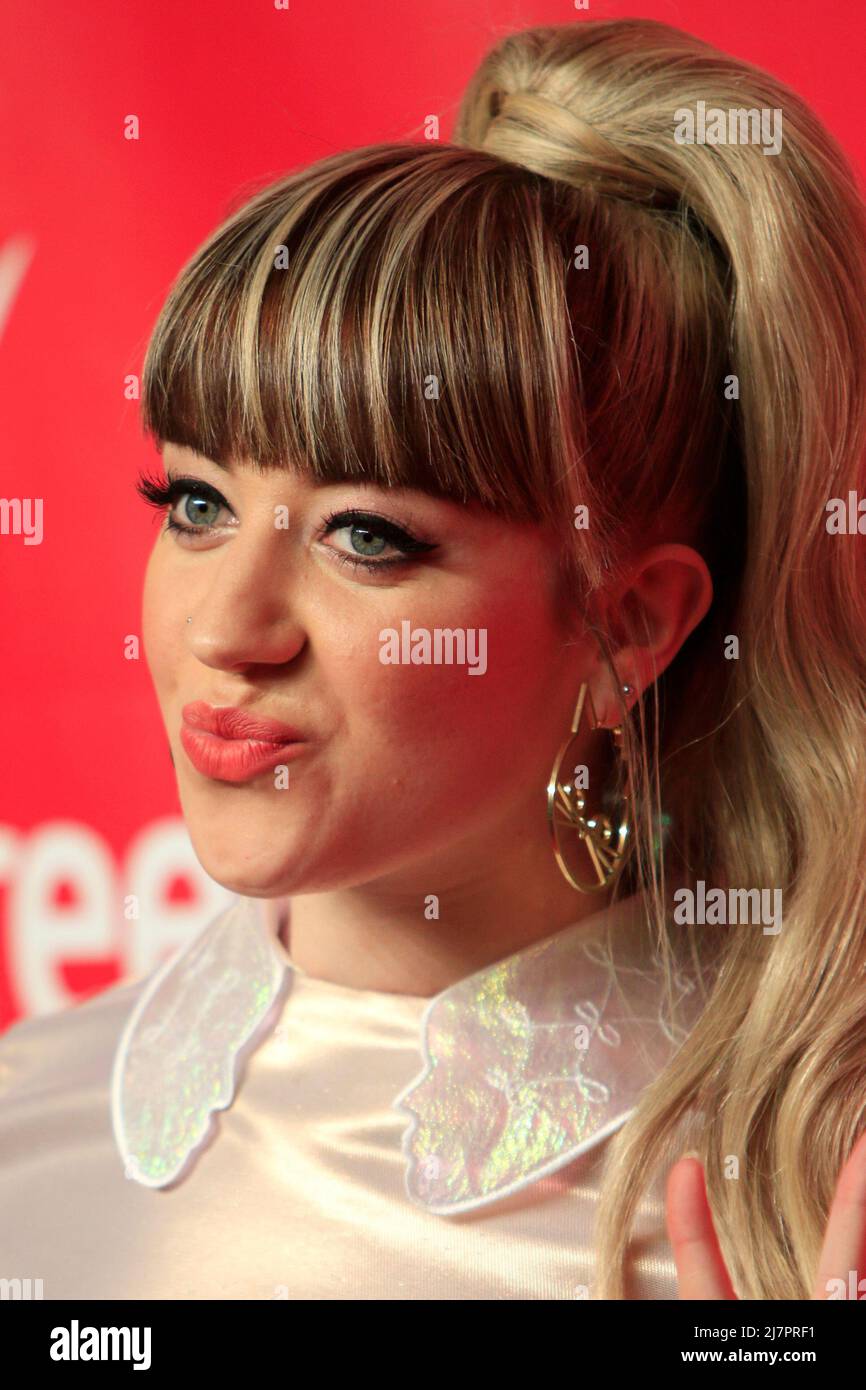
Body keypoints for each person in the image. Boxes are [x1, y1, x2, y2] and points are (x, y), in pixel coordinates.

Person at [2, 16, 866, 1301]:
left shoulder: (803, 1209)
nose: (223, 629)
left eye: (367, 535)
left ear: (625, 624)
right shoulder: (25, 1114)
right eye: (194, 503)